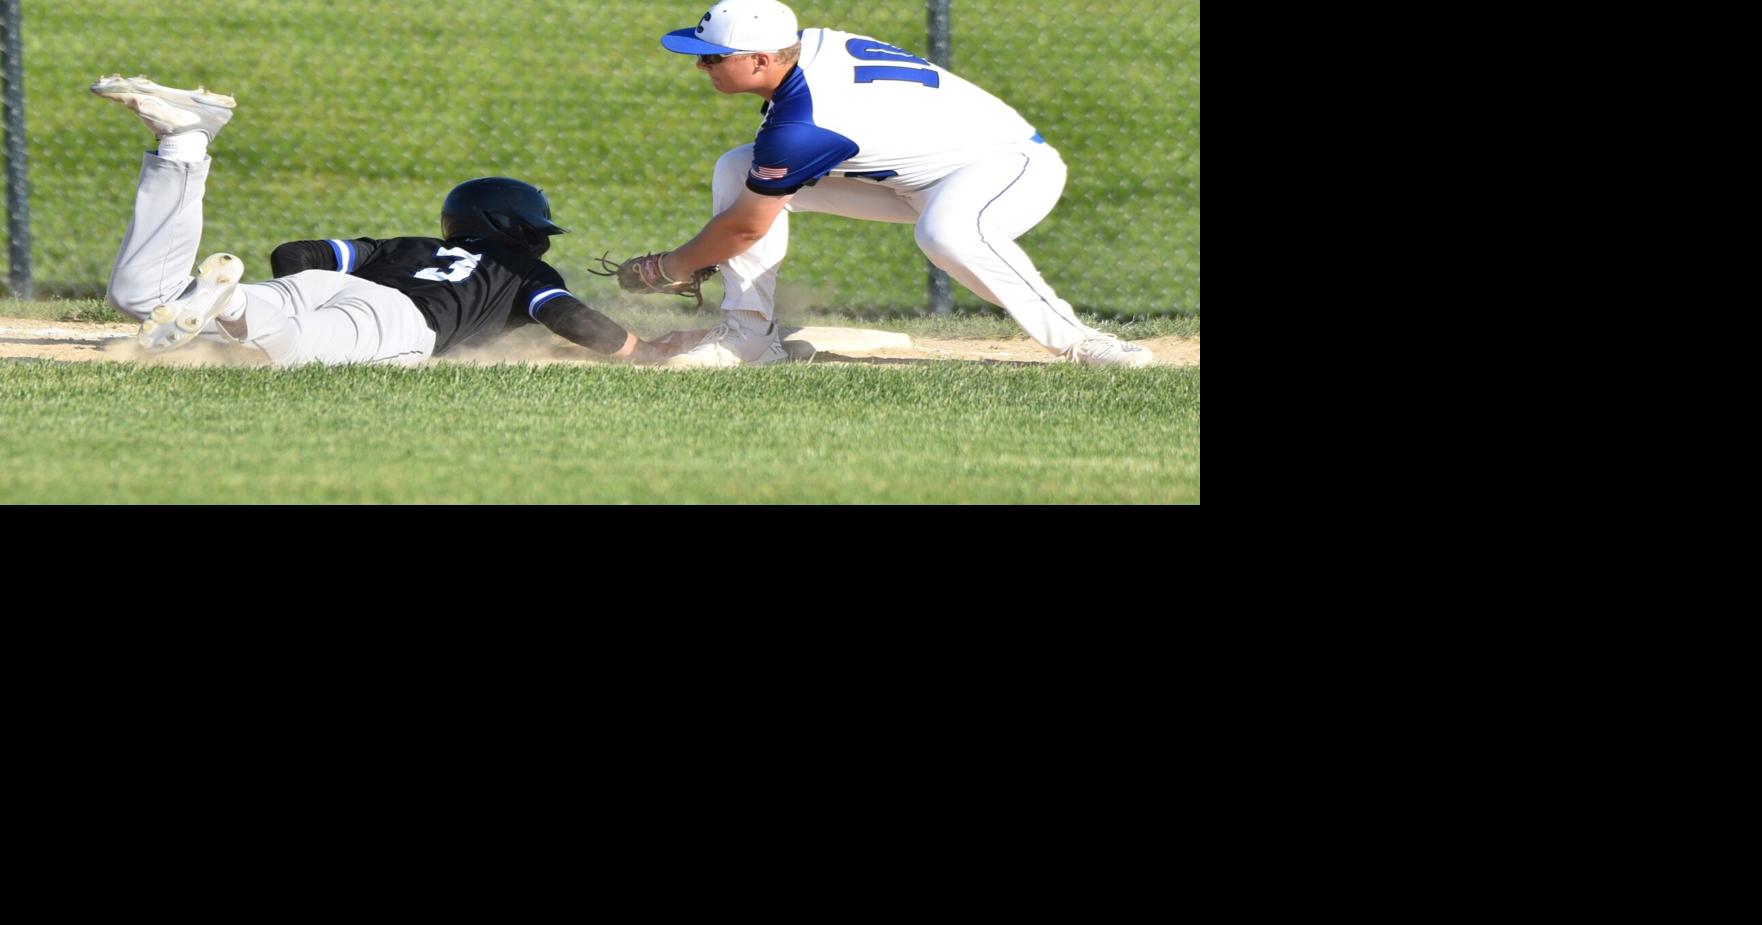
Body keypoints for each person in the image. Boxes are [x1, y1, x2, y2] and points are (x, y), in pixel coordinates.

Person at [619, 0, 1154, 368]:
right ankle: (749, 337)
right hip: (913, 174)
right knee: (739, 167)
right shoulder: (809, 45)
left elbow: (742, 230)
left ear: (761, 59)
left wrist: (667, 268)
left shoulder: (804, 123)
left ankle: (1083, 342)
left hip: (1009, 168)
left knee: (948, 235)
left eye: (712, 57)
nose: (701, 66)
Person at [92, 75, 679, 366]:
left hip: (331, 287)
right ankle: (241, 310)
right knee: (298, 353)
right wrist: (642, 350)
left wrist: (304, 292)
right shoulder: (521, 272)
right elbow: (569, 316)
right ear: (518, 230)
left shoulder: (412, 245)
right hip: (400, 322)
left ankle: (184, 148)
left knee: (144, 296)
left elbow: (298, 253)